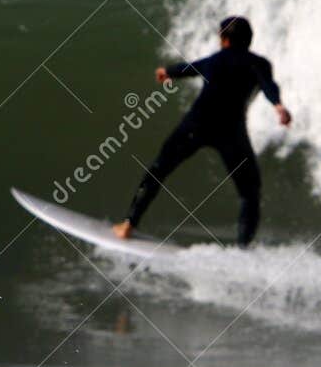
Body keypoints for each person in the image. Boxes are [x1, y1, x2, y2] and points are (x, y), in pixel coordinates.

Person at [114, 16, 291, 247]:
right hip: (231, 132)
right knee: (250, 192)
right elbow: (268, 85)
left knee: (158, 170)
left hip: (196, 125)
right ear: (249, 39)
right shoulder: (260, 64)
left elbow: (190, 68)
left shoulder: (215, 60)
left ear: (225, 39)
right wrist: (278, 105)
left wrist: (167, 71)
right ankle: (242, 249)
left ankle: (128, 225)